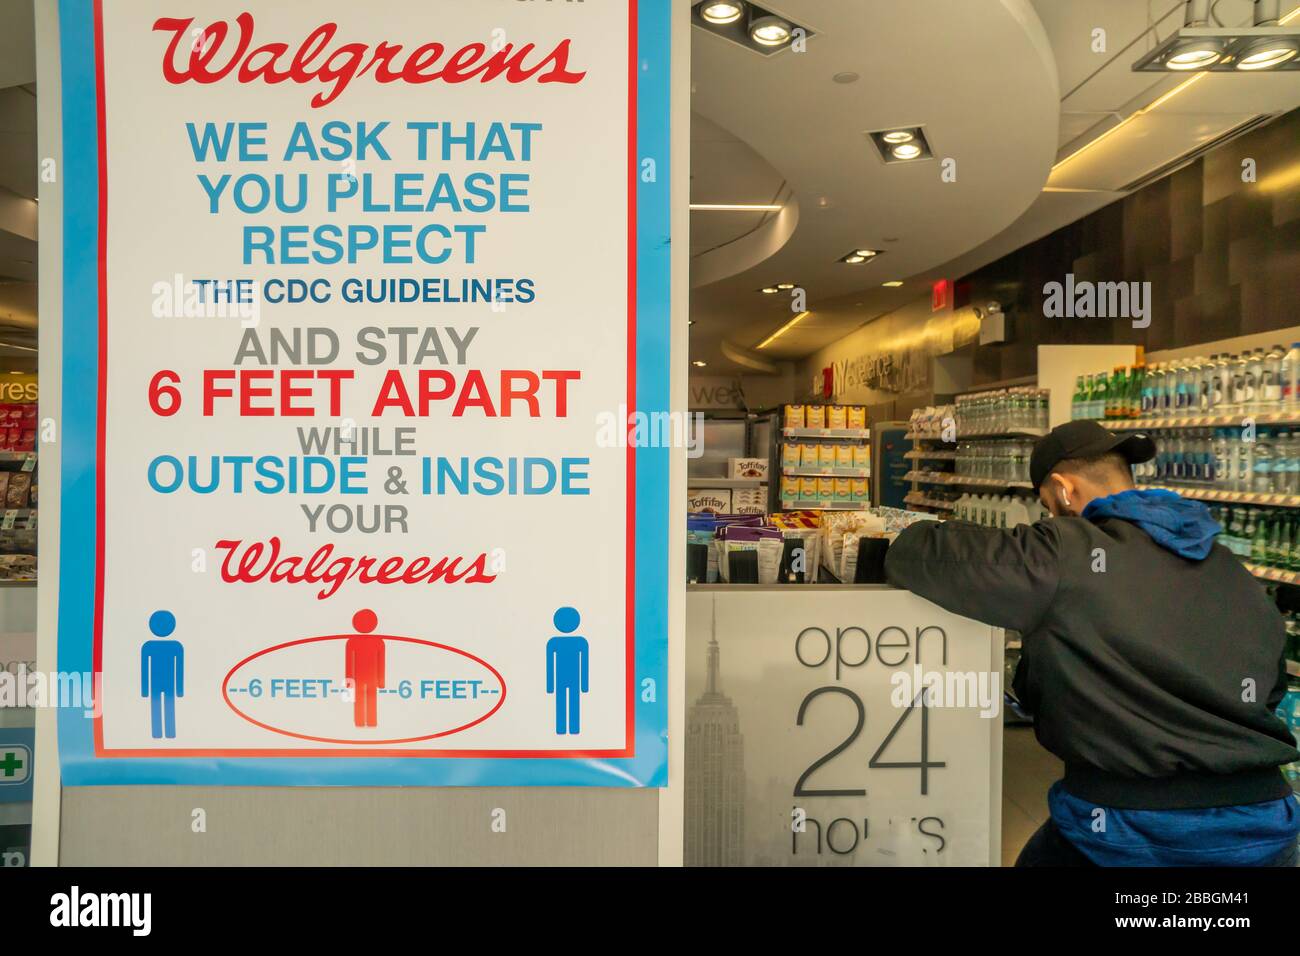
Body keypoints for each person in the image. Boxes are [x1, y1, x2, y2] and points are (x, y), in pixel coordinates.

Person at [885, 419, 1300, 866]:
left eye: (1047, 507)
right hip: (1265, 821)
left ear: (1064, 491)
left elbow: (927, 556)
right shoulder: (1230, 568)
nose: (1048, 519)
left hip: (1131, 826)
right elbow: (1270, 687)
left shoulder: (1066, 550)